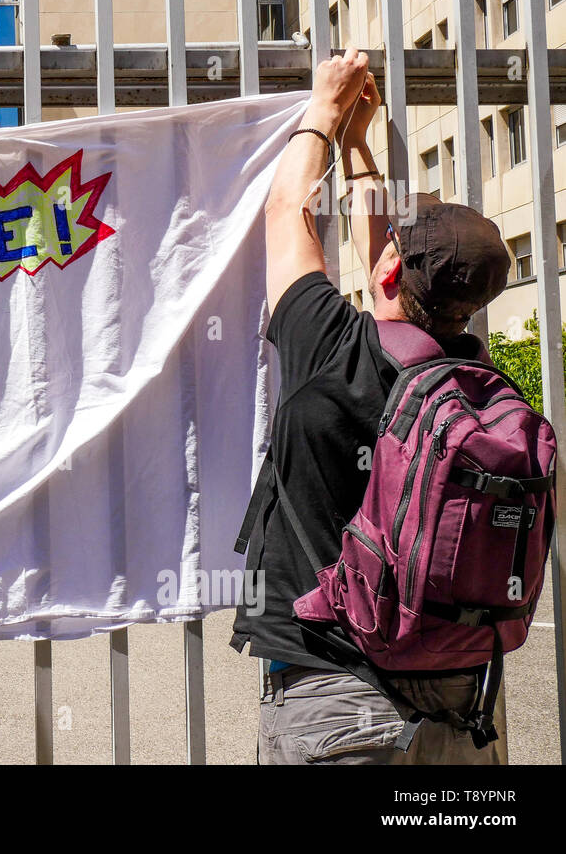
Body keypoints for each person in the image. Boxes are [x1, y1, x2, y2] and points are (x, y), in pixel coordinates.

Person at [230, 47, 514, 764]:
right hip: (459, 704)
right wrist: (358, 147)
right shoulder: (474, 383)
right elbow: (391, 269)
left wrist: (325, 109)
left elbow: (285, 210)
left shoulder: (333, 347)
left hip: (337, 704)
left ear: (390, 268)